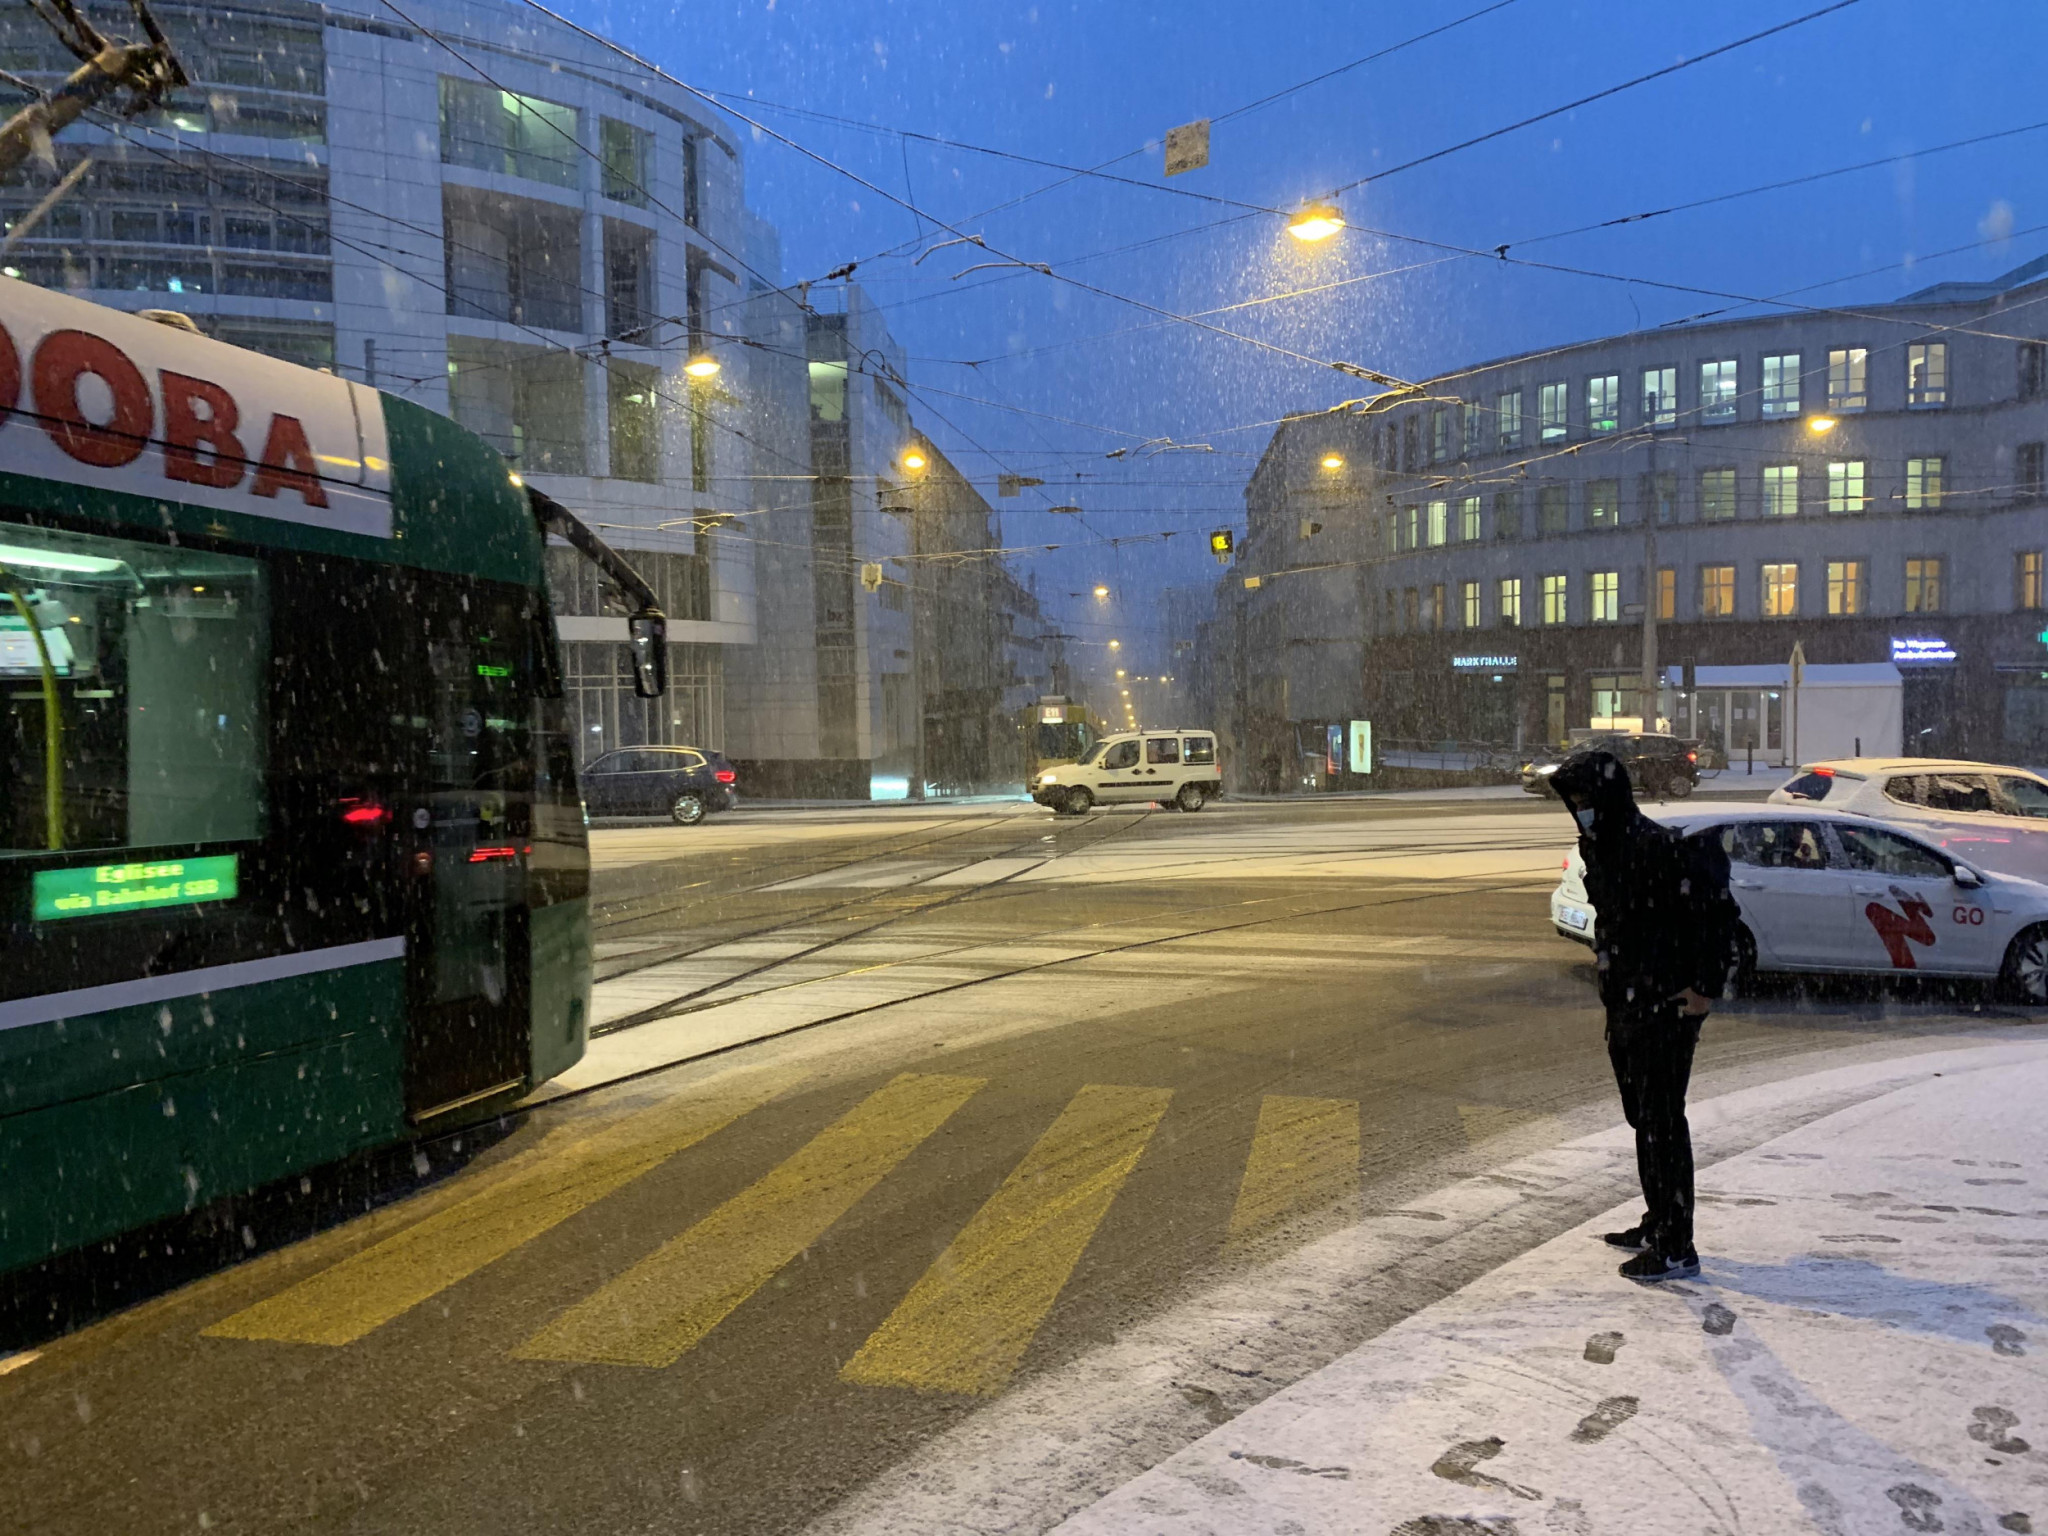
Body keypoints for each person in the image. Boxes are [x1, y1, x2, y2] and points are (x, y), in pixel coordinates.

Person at [1551, 748, 1741, 1282]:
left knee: (1662, 1121)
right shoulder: (1601, 844)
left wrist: (1703, 989)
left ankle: (1677, 1244)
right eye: (1574, 801)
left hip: (1666, 1004)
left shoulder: (1653, 847)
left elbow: (1715, 917)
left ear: (1608, 796)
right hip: (1628, 1001)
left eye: (1586, 798)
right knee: (1643, 1118)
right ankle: (1658, 1220)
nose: (1580, 809)